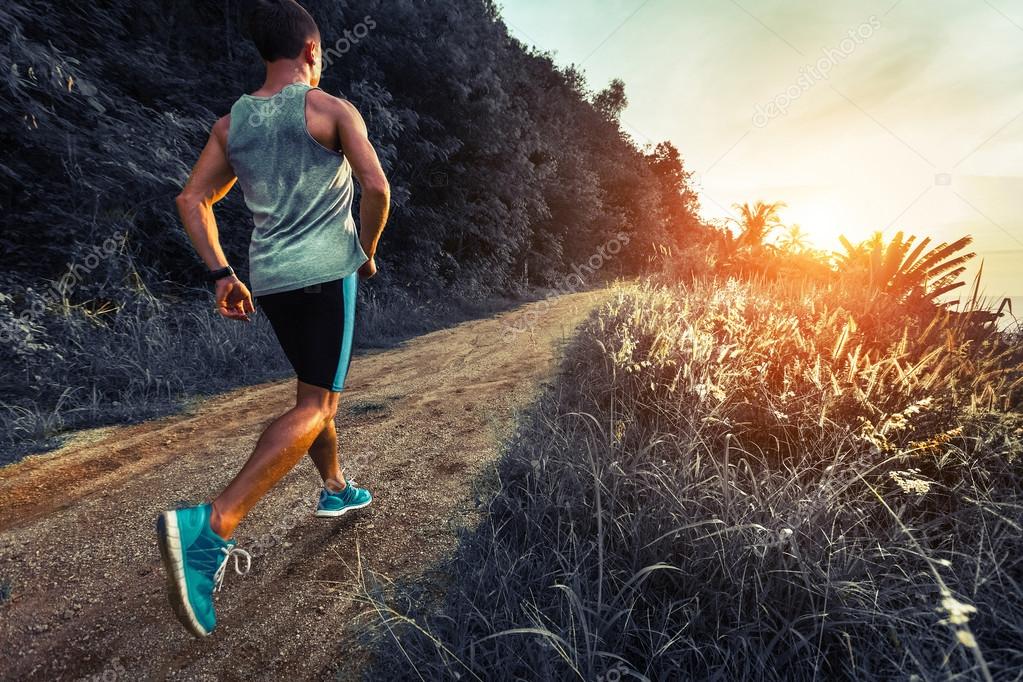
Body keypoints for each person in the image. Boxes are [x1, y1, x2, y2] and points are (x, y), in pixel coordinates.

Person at [156, 0, 391, 637]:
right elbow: (375, 187)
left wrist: (221, 273)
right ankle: (212, 525)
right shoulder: (330, 109)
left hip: (271, 281)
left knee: (313, 393)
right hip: (326, 274)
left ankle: (336, 486)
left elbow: (191, 197)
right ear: (311, 52)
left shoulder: (232, 125)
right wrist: (364, 254)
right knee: (317, 405)